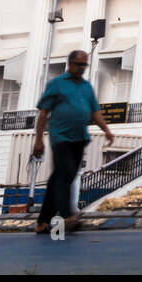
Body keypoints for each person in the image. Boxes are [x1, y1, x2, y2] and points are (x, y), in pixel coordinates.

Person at [33, 50, 114, 234]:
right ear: (70, 64)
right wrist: (39, 140)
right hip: (60, 137)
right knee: (65, 173)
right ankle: (67, 216)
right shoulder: (57, 84)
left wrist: (107, 130)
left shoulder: (86, 87)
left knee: (60, 178)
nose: (81, 68)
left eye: (84, 65)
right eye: (78, 64)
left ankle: (43, 221)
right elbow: (43, 113)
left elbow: (94, 111)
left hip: (79, 137)